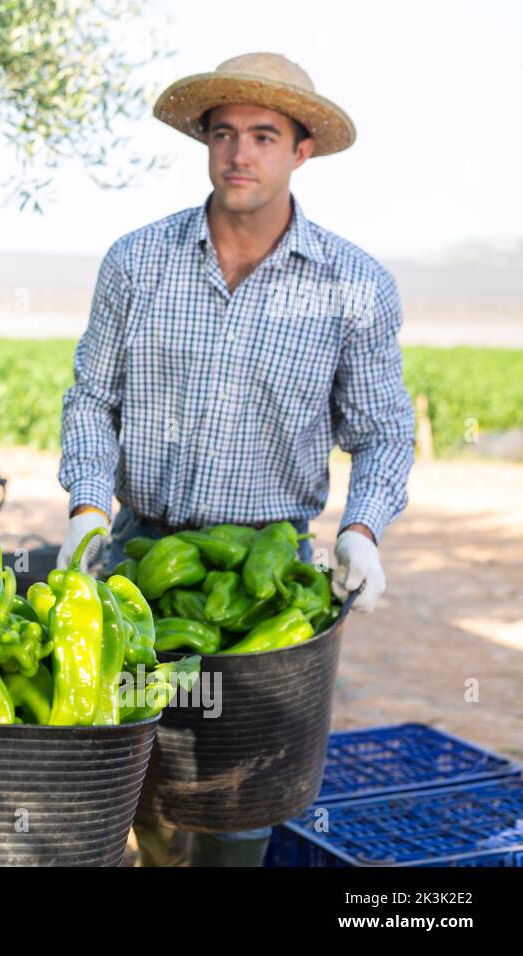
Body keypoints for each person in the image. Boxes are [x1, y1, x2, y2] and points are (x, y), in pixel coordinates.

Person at [56, 53, 415, 865]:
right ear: (205, 144)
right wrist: (87, 506)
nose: (239, 155)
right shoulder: (137, 261)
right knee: (136, 779)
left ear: (303, 150)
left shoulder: (353, 285)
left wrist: (362, 529)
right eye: (223, 134)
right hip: (138, 554)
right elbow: (91, 399)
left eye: (263, 135)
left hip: (270, 577)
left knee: (243, 794)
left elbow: (384, 430)